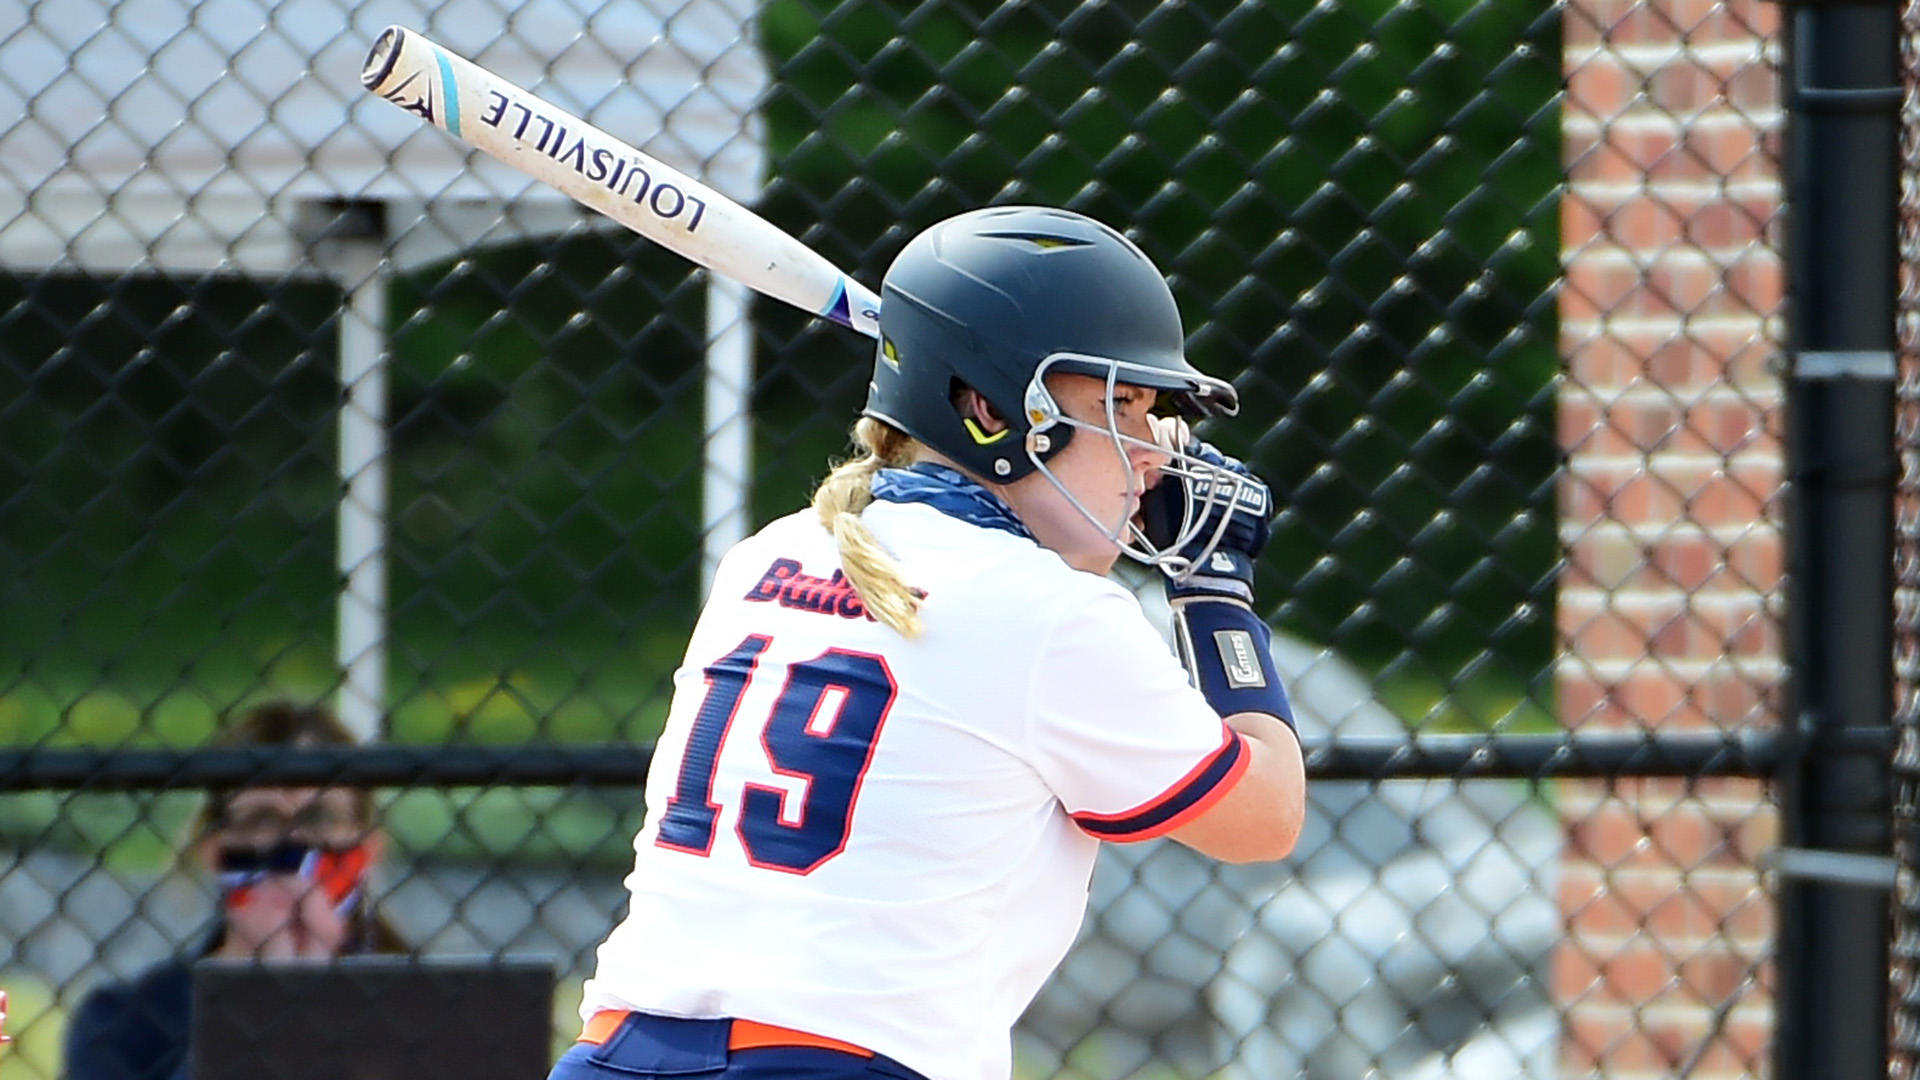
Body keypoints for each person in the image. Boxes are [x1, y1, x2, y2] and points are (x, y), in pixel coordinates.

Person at [551, 205, 1307, 1080]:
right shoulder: (1050, 617)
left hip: (616, 1053)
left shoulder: (773, 552)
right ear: (987, 410)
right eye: (1121, 404)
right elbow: (1265, 814)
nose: (1152, 454)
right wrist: (1215, 592)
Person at [63, 699, 402, 1080]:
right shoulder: (124, 1022)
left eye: (320, 817)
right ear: (213, 851)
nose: (293, 844)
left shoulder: (424, 1005)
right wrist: (243, 1018)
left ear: (369, 848)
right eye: (261, 820)